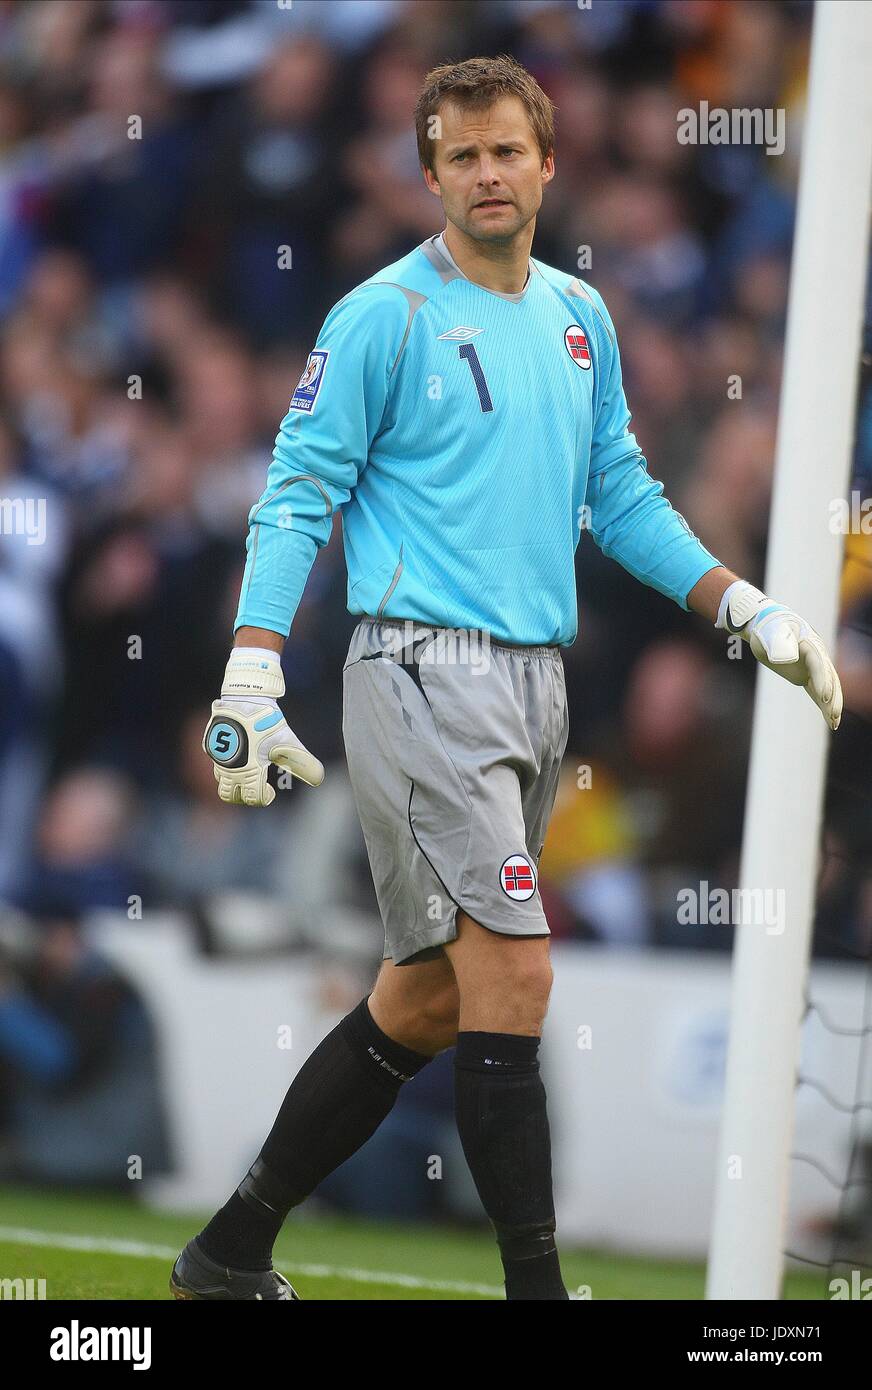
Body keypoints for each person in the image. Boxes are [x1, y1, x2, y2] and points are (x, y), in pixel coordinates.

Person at [170, 55, 842, 1302]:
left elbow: (621, 497)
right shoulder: (382, 314)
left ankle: (228, 1250)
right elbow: (296, 490)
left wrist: (737, 604)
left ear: (546, 163)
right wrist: (251, 666)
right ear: (428, 175)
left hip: (533, 687)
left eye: (504, 150)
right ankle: (536, 1291)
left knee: (426, 999)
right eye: (460, 154)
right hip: (420, 671)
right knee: (518, 970)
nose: (485, 171)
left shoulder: (580, 319)